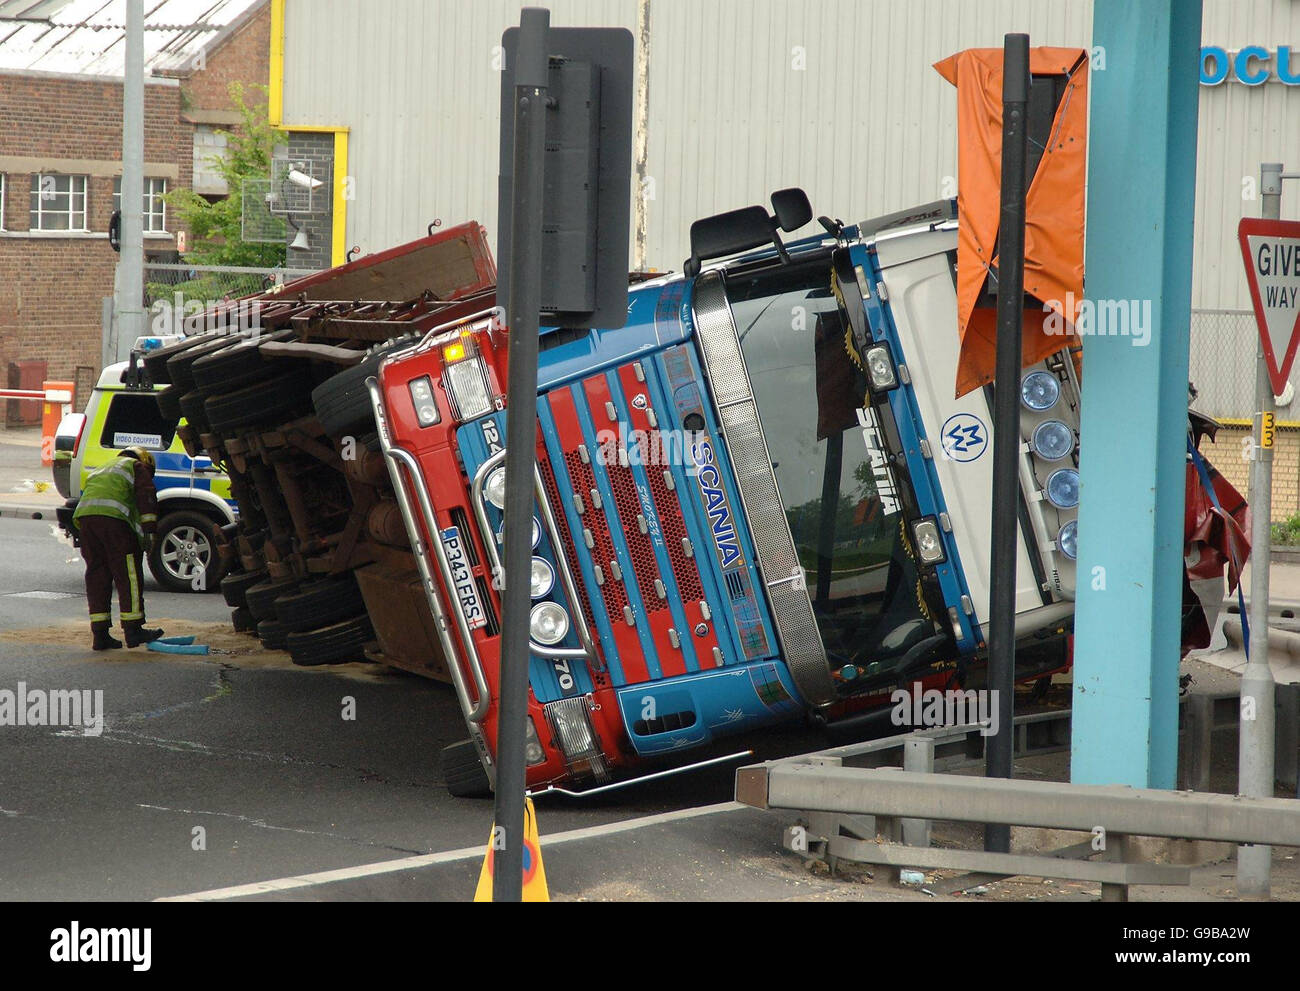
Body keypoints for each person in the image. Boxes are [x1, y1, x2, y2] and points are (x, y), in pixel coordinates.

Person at [72, 446, 165, 651]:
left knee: (98, 575)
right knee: (128, 573)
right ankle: (134, 631)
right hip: (114, 523)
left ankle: (100, 634)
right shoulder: (136, 466)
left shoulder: (103, 468)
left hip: (86, 522)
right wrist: (150, 530)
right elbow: (146, 497)